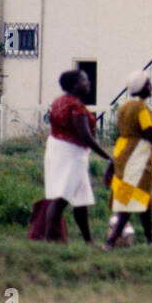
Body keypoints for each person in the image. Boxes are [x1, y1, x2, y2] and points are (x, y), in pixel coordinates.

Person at [104, 71, 152, 249]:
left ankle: (150, 241)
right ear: (143, 88)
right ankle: (110, 242)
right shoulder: (142, 108)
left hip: (123, 153)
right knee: (130, 201)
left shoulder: (124, 107)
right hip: (137, 157)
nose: (151, 87)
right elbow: (150, 135)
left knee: (144, 200)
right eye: (148, 84)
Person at [43, 68, 113, 245]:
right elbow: (85, 136)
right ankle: (50, 238)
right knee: (63, 197)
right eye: (84, 80)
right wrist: (108, 157)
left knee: (81, 198)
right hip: (71, 153)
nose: (88, 83)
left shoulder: (59, 101)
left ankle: (88, 241)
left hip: (59, 148)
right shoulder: (76, 106)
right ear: (75, 85)